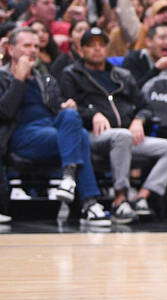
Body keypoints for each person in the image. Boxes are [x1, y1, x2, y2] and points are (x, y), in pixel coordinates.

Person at [60, 27, 167, 223]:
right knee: (122, 136)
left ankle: (142, 197)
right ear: (81, 49)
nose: (97, 49)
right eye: (91, 46)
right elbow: (67, 108)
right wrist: (92, 114)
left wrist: (139, 120)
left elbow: (145, 106)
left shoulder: (122, 75)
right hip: (93, 137)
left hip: (129, 136)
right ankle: (120, 199)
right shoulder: (72, 74)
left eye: (101, 45)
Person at [0, 28, 111, 225]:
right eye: (26, 45)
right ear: (10, 49)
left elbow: (54, 110)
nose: (33, 50)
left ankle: (69, 179)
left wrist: (63, 106)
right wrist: (19, 79)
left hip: (50, 129)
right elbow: (5, 112)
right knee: (81, 137)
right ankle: (88, 202)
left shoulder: (45, 78)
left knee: (70, 115)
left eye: (36, 46)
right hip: (21, 135)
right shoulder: (3, 76)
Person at [123, 22, 167, 87]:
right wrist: (156, 69)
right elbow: (132, 90)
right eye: (162, 38)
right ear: (149, 41)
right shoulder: (133, 59)